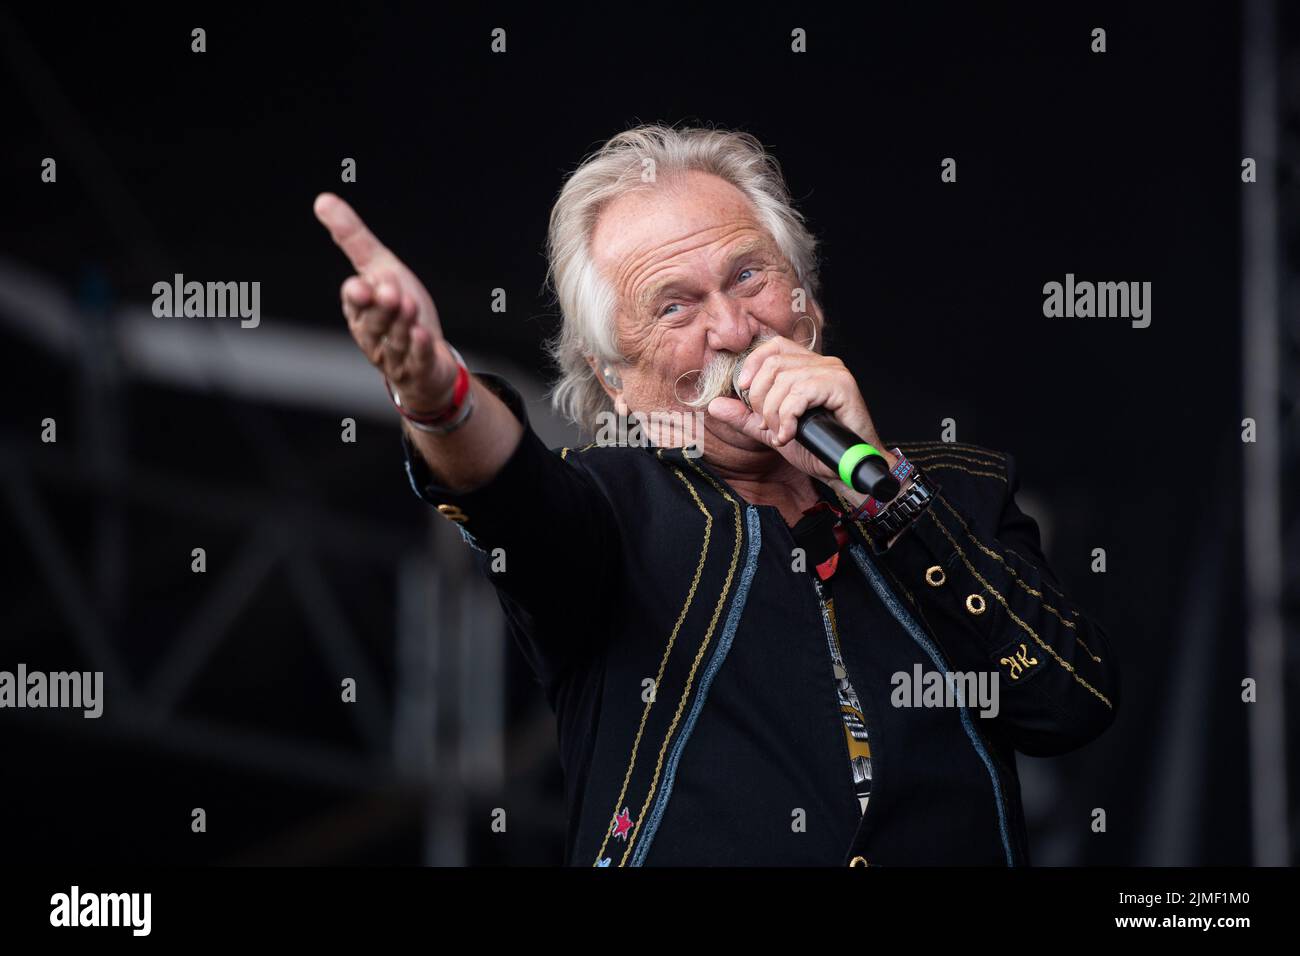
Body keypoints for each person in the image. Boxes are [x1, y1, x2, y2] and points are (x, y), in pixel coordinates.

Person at [313, 124, 1120, 866]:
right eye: (676, 305)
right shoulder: (608, 511)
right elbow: (507, 488)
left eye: (749, 276)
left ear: (808, 300)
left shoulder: (957, 489)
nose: (733, 327)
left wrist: (889, 494)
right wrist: (435, 391)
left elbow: (1069, 702)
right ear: (615, 382)